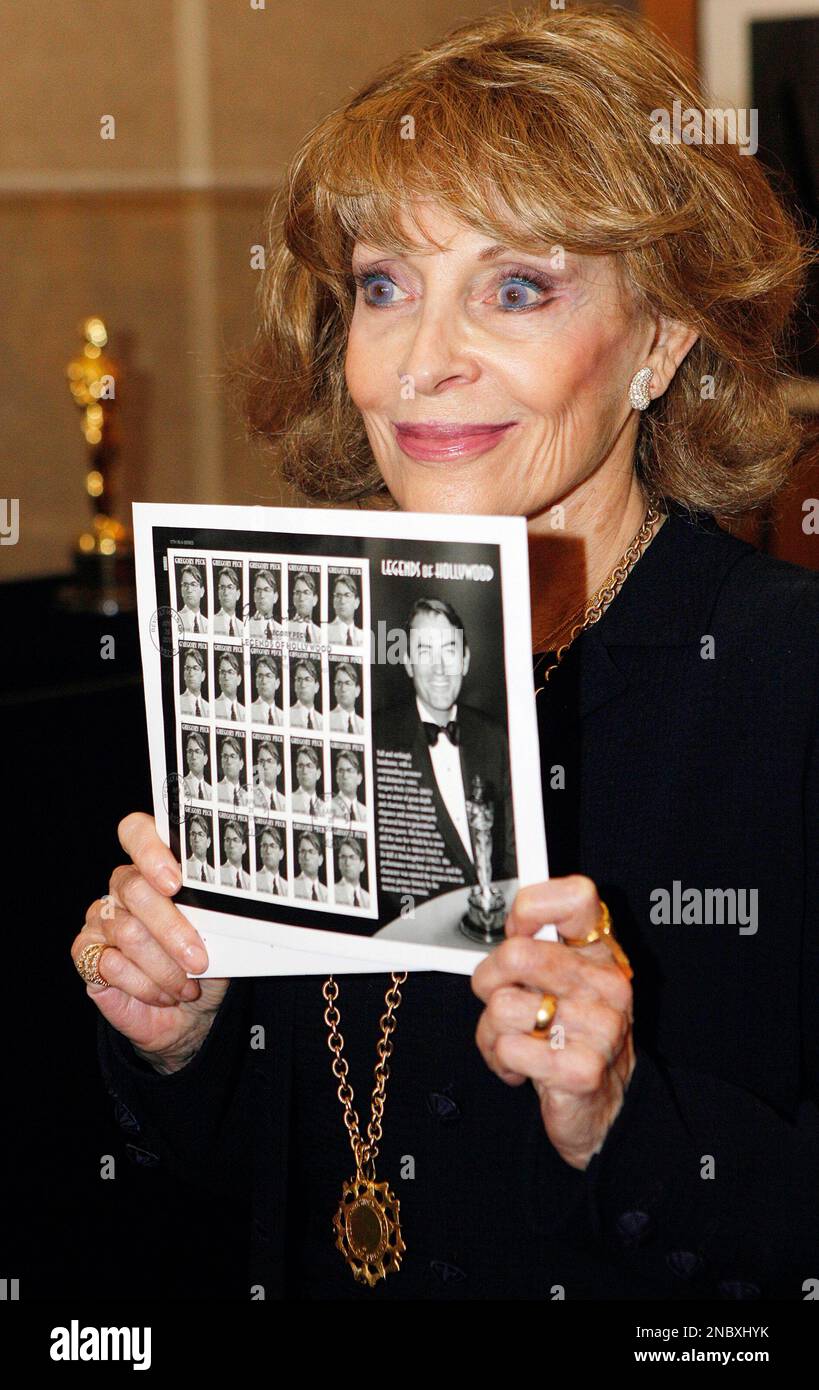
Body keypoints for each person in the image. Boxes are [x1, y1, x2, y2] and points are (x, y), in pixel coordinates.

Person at [75, 7, 819, 1301]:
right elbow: (247, 1195)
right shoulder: (306, 643)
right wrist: (175, 1042)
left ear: (657, 341)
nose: (422, 365)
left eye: (515, 287)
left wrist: (623, 1123)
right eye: (383, 286)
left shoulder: (783, 680)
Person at [375, 596, 515, 884]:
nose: (439, 668)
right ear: (408, 662)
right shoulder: (377, 738)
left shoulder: (494, 737)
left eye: (449, 651)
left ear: (464, 661)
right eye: (425, 651)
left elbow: (514, 849)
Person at [326, 574, 364, 646]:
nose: (342, 601)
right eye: (338, 595)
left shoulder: (364, 636)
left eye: (347, 595)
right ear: (334, 602)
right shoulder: (324, 633)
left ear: (357, 602)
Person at [330, 750, 366, 823]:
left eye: (349, 770)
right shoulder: (327, 808)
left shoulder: (366, 812)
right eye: (341, 771)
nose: (345, 776)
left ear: (359, 778)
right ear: (337, 777)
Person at [328, 662, 365, 734]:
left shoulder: (364, 725)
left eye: (348, 683)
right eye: (339, 683)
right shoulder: (326, 721)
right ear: (335, 690)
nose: (343, 689)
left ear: (357, 691)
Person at [333, 836, 370, 908]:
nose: (347, 863)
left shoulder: (368, 899)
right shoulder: (331, 893)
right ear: (339, 864)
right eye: (343, 857)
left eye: (352, 857)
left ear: (362, 865)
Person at [292, 830, 329, 902]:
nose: (306, 857)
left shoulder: (327, 893)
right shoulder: (291, 886)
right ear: (299, 858)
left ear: (320, 859)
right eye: (303, 851)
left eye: (311, 852)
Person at [287, 571, 322, 644]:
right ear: (293, 599)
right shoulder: (285, 629)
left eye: (306, 593)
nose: (301, 598)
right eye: (297, 593)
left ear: (315, 600)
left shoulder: (321, 634)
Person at [289, 658, 324, 730]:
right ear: (295, 686)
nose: (303, 685)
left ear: (316, 687)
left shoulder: (322, 721)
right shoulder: (286, 716)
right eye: (299, 680)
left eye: (307, 679)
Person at [253, 739, 287, 813]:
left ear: (279, 768)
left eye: (269, 761)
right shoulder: (249, 797)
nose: (265, 766)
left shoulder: (285, 802)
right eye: (261, 761)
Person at [250, 654, 284, 726]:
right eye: (260, 676)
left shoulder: (283, 716)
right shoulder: (248, 711)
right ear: (256, 682)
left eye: (268, 676)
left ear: (277, 683)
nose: (264, 681)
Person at [215, 735, 249, 807]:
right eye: (225, 756)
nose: (229, 761)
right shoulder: (215, 790)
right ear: (221, 762)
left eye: (233, 756)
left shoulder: (247, 795)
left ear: (241, 763)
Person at [248, 569, 282, 639]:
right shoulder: (246, 627)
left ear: (275, 597)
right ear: (254, 597)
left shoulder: (281, 629)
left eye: (266, 590)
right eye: (258, 590)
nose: (262, 595)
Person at [256, 826, 289, 896]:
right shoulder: (253, 879)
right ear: (261, 852)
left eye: (272, 846)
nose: (268, 851)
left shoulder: (287, 887)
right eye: (264, 845)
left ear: (281, 853)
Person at [290, 744, 323, 815]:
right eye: (300, 766)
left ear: (318, 773)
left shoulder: (325, 807)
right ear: (296, 773)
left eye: (309, 766)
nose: (304, 771)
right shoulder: (288, 801)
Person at [213, 652, 246, 722]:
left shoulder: (245, 712)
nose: (226, 677)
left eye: (230, 672)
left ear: (239, 679)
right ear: (219, 678)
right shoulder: (212, 707)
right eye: (222, 672)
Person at [212, 567, 244, 638]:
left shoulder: (243, 627)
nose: (226, 593)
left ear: (238, 594)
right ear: (218, 594)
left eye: (230, 587)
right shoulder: (211, 623)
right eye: (222, 587)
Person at [178, 648, 209, 717]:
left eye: (195, 668)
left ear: (203, 675)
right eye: (187, 668)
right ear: (184, 675)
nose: (191, 673)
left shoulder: (209, 708)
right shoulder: (178, 702)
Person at [219, 820, 250, 890]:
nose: (231, 845)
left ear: (244, 848)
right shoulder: (216, 874)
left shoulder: (249, 880)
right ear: (224, 846)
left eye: (235, 840)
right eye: (227, 840)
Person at [181, 732, 212, 801]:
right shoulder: (181, 785)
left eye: (197, 751)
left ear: (205, 759)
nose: (193, 757)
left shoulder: (211, 791)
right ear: (187, 757)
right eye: (190, 751)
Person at [177, 564, 208, 634]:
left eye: (193, 584)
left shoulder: (208, 624)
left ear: (202, 591)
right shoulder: (175, 620)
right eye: (185, 585)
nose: (189, 590)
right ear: (182, 591)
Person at [184, 814, 214, 884]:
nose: (196, 839)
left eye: (200, 834)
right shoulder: (184, 867)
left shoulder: (214, 874)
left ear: (208, 842)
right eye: (193, 834)